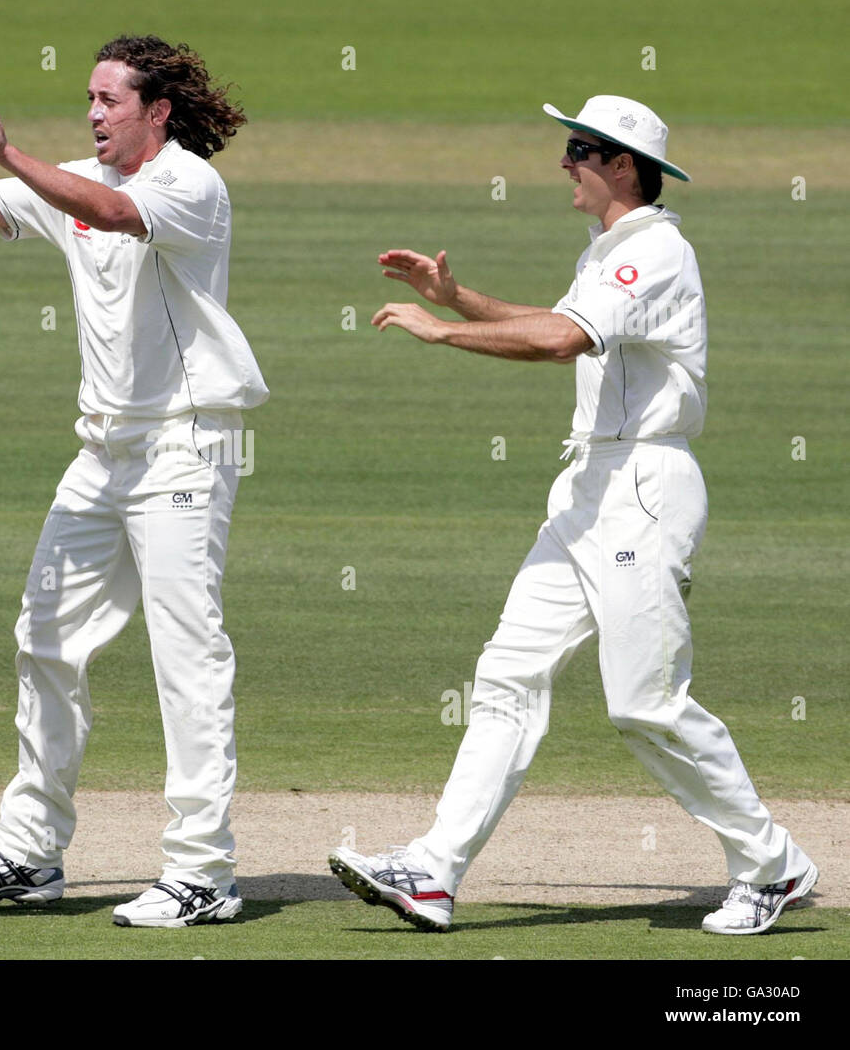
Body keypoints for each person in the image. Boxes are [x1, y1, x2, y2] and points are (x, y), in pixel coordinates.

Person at [328, 95, 817, 936]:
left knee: (644, 704)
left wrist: (442, 332)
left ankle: (770, 865)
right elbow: (556, 323)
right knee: (507, 673)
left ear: (623, 166)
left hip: (642, 489)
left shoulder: (656, 250)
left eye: (580, 149)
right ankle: (434, 872)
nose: (565, 163)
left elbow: (560, 342)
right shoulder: (610, 248)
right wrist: (458, 295)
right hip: (588, 487)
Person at [0, 36, 268, 927]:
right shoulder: (73, 187)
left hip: (184, 444)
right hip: (101, 453)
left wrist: (4, 146)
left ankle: (204, 871)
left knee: (187, 650)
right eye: (88, 99)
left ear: (157, 111)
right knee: (44, 636)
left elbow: (116, 212)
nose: (93, 113)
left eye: (110, 100)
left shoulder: (188, 186)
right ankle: (30, 852)